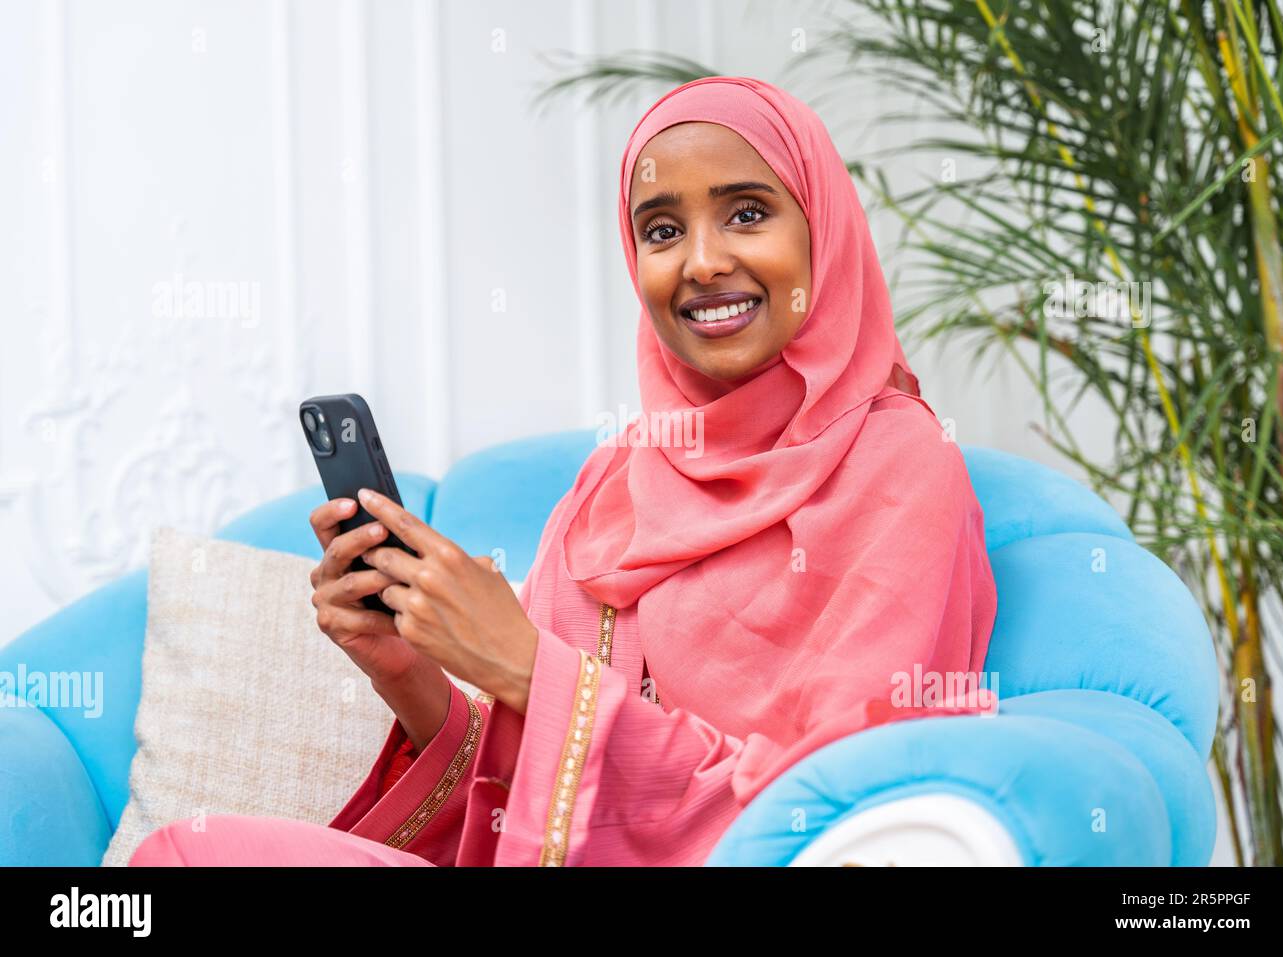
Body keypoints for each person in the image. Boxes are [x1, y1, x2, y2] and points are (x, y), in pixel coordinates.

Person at [129, 75, 998, 867]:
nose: (701, 261)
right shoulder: (616, 484)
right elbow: (524, 796)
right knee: (194, 854)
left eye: (745, 213)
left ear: (823, 232)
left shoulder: (898, 464)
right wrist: (406, 666)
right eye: (662, 229)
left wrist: (529, 669)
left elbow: (842, 803)